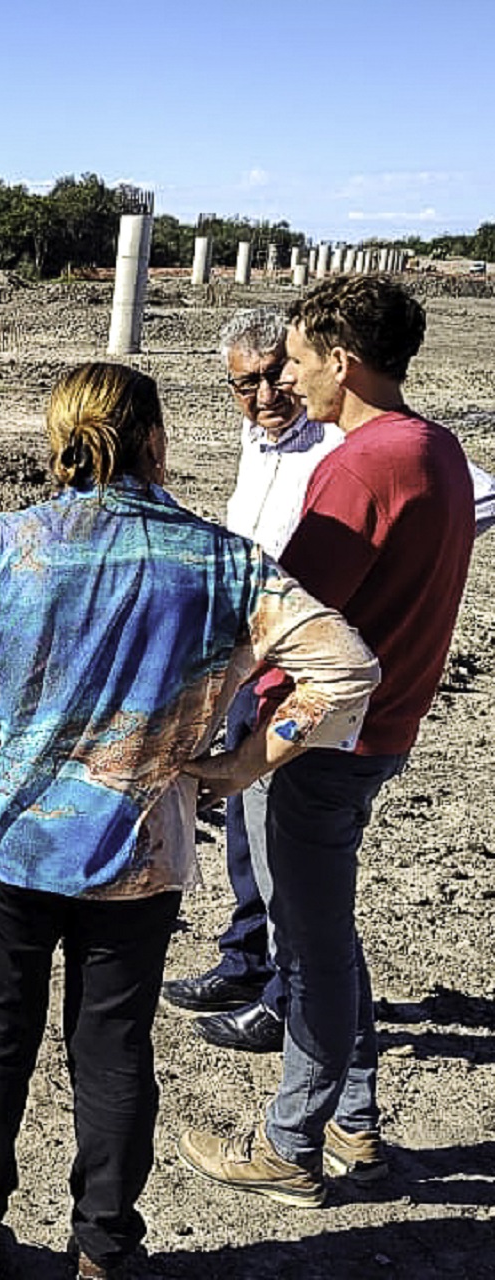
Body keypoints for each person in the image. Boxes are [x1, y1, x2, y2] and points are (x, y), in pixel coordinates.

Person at [0, 362, 376, 1278]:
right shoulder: (223, 561)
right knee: (115, 1051)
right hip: (139, 851)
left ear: (60, 445)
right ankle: (104, 1249)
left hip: (4, 841)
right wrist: (246, 763)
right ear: (156, 441)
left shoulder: (0, 545)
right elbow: (347, 667)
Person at [178, 276, 475, 1207]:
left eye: (300, 361)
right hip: (379, 731)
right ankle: (354, 1122)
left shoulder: (359, 468)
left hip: (317, 739)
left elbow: (279, 619)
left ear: (342, 362)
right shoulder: (435, 447)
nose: (290, 381)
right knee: (326, 928)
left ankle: (291, 1147)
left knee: (307, 947)